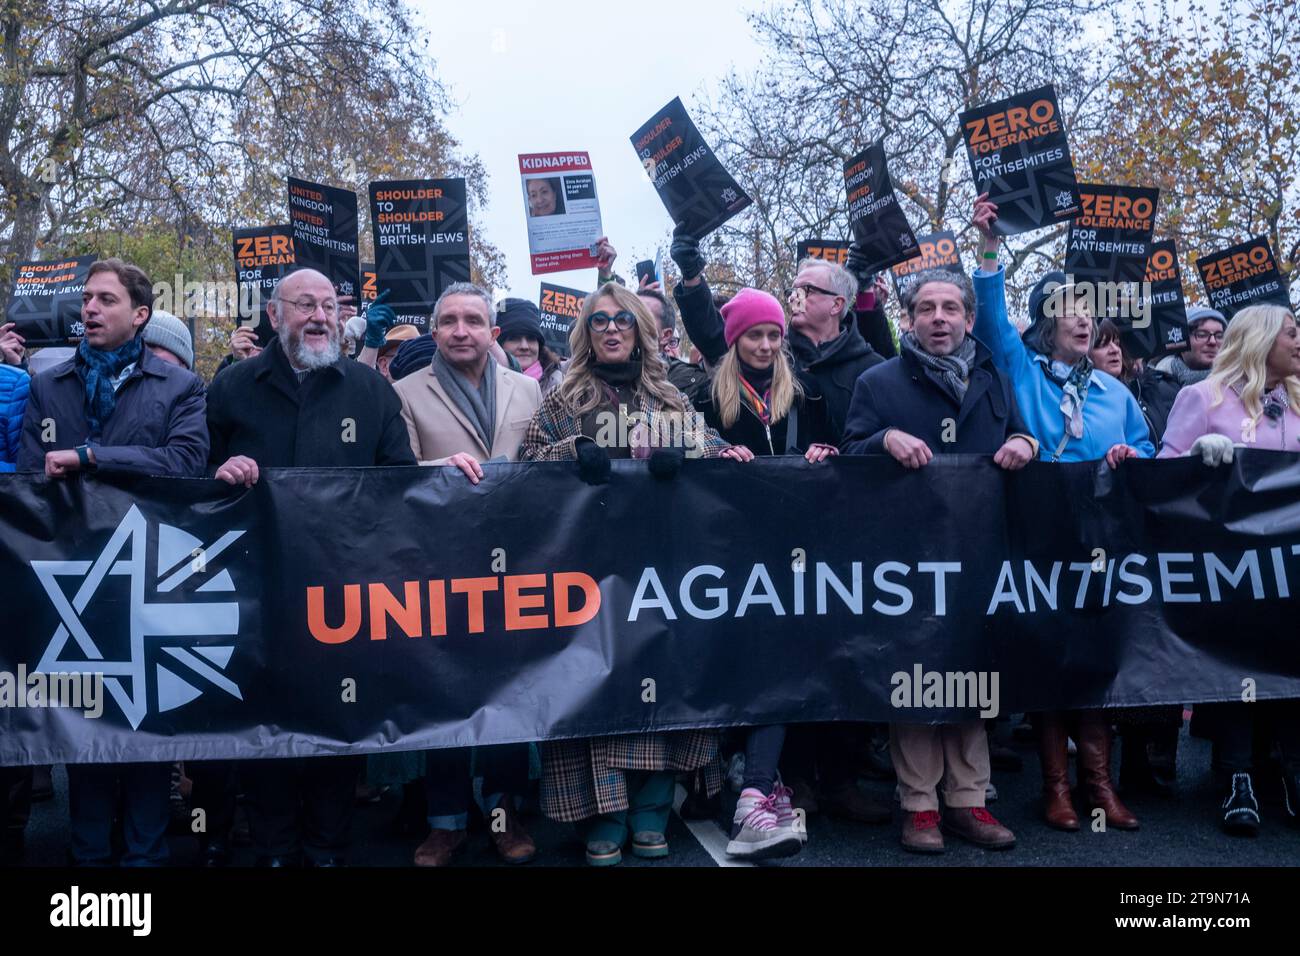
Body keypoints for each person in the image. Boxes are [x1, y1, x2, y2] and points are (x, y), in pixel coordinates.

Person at [520, 281, 744, 865]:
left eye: (623, 319)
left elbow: (717, 450)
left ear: (639, 330)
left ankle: (650, 811)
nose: (613, 328)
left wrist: (690, 455)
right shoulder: (563, 397)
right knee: (597, 690)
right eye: (600, 321)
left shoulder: (669, 396)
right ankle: (605, 814)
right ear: (587, 334)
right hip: (588, 574)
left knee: (662, 686)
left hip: (662, 570)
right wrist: (572, 452)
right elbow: (522, 466)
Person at [205, 266, 416, 866]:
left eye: (330, 305)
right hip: (256, 586)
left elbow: (400, 481)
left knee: (337, 714)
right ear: (275, 316)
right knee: (263, 716)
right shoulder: (231, 386)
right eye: (305, 305)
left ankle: (327, 844)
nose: (321, 316)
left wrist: (444, 478)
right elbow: (194, 474)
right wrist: (220, 475)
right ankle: (273, 845)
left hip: (342, 588)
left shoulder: (371, 391)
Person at [17, 258, 209, 867]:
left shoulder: (180, 387)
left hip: (148, 576)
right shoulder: (50, 385)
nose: (89, 310)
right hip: (71, 574)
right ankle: (89, 866)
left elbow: (184, 463)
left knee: (145, 728)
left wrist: (90, 457)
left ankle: (144, 864)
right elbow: (29, 477)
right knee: (84, 727)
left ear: (141, 314)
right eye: (87, 299)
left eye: (105, 299)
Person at [971, 193, 1150, 832]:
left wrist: (1134, 452)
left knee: (1097, 657)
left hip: (1101, 538)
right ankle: (1057, 791)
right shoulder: (1021, 370)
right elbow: (989, 318)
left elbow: (1148, 450)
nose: (1081, 322)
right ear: (1046, 323)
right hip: (1038, 536)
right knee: (1051, 657)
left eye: (1088, 313)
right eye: (1068, 311)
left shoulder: (1116, 391)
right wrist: (991, 246)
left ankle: (1100, 785)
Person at [843, 267, 1036, 853]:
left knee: (972, 673)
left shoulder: (995, 380)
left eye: (951, 308)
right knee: (918, 675)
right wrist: (883, 441)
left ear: (969, 319)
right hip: (906, 558)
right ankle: (920, 807)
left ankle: (969, 801)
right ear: (909, 319)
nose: (939, 319)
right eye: (926, 308)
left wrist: (1023, 444)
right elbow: (849, 451)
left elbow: (1024, 434)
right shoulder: (877, 383)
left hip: (977, 551)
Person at [390, 282, 541, 866]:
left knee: (506, 696)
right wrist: (439, 468)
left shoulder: (528, 390)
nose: (460, 330)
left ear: (492, 333)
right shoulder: (404, 392)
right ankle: (446, 822)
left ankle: (505, 818)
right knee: (444, 695)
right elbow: (393, 474)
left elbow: (545, 462)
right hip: (438, 567)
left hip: (516, 566)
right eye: (449, 320)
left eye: (473, 320)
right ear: (434, 332)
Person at [689, 287, 839, 860]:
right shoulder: (706, 396)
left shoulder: (807, 392)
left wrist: (827, 456)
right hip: (727, 560)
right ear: (734, 340)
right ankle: (748, 786)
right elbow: (678, 459)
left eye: (775, 334)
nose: (767, 344)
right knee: (747, 666)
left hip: (793, 557)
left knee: (780, 664)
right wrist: (713, 456)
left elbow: (840, 450)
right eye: (755, 334)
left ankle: (756, 786)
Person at [1158, 302, 1300, 832]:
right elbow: (1161, 474)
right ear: (1261, 340)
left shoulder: (1297, 402)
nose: (1299, 342)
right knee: (1237, 663)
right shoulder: (1201, 397)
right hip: (1226, 567)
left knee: (1291, 659)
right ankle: (1235, 777)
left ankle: (1291, 770)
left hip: (1289, 568)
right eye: (1291, 333)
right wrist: (1196, 451)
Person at [670, 226, 888, 444]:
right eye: (792, 291)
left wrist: (864, 289)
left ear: (836, 304)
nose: (794, 298)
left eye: (806, 290)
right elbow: (713, 335)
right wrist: (692, 277)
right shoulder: (775, 356)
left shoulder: (868, 365)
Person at [593, 236, 711, 398]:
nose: (626, 326)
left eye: (643, 317)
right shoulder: (602, 378)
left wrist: (692, 277)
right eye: (627, 318)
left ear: (666, 335)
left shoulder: (688, 386)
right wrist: (606, 274)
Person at [494, 297, 565, 393]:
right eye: (514, 338)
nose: (524, 346)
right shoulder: (483, 384)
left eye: (531, 338)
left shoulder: (563, 386)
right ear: (499, 344)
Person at [1154, 306, 1227, 388]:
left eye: (1219, 336)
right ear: (1182, 340)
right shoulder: (1155, 387)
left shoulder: (1239, 381)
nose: (1213, 341)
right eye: (1202, 335)